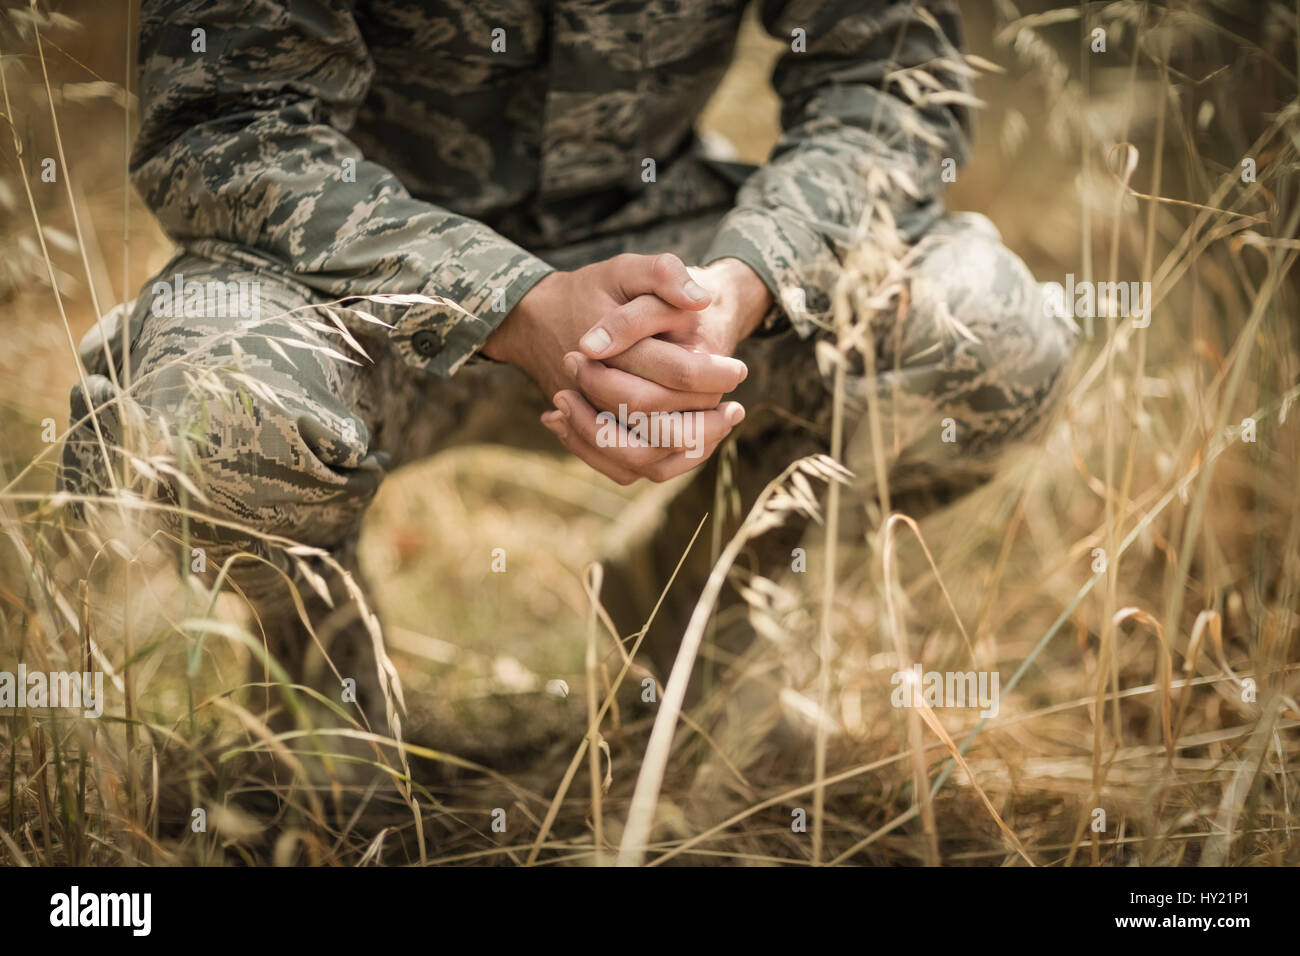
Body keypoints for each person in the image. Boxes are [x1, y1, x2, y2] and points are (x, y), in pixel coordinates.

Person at [61, 0, 1074, 737]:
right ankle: (320, 695)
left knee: (990, 334)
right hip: (355, 275)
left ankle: (693, 604)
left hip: (671, 266)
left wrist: (745, 281)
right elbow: (225, 125)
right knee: (211, 414)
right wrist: (508, 299)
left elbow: (888, 75)